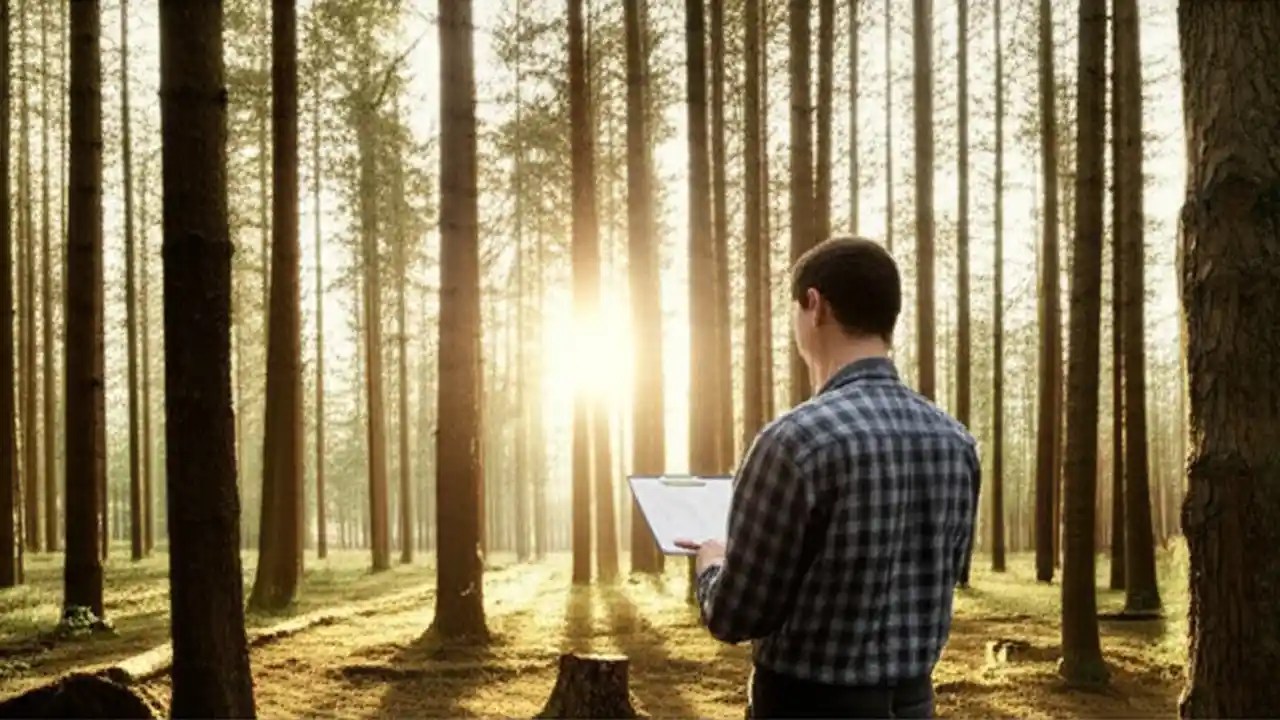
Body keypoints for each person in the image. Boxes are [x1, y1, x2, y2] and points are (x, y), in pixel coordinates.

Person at [677, 237, 980, 719]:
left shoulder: (794, 441)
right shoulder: (956, 441)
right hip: (915, 705)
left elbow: (736, 616)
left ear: (814, 306)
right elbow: (947, 572)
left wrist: (714, 562)